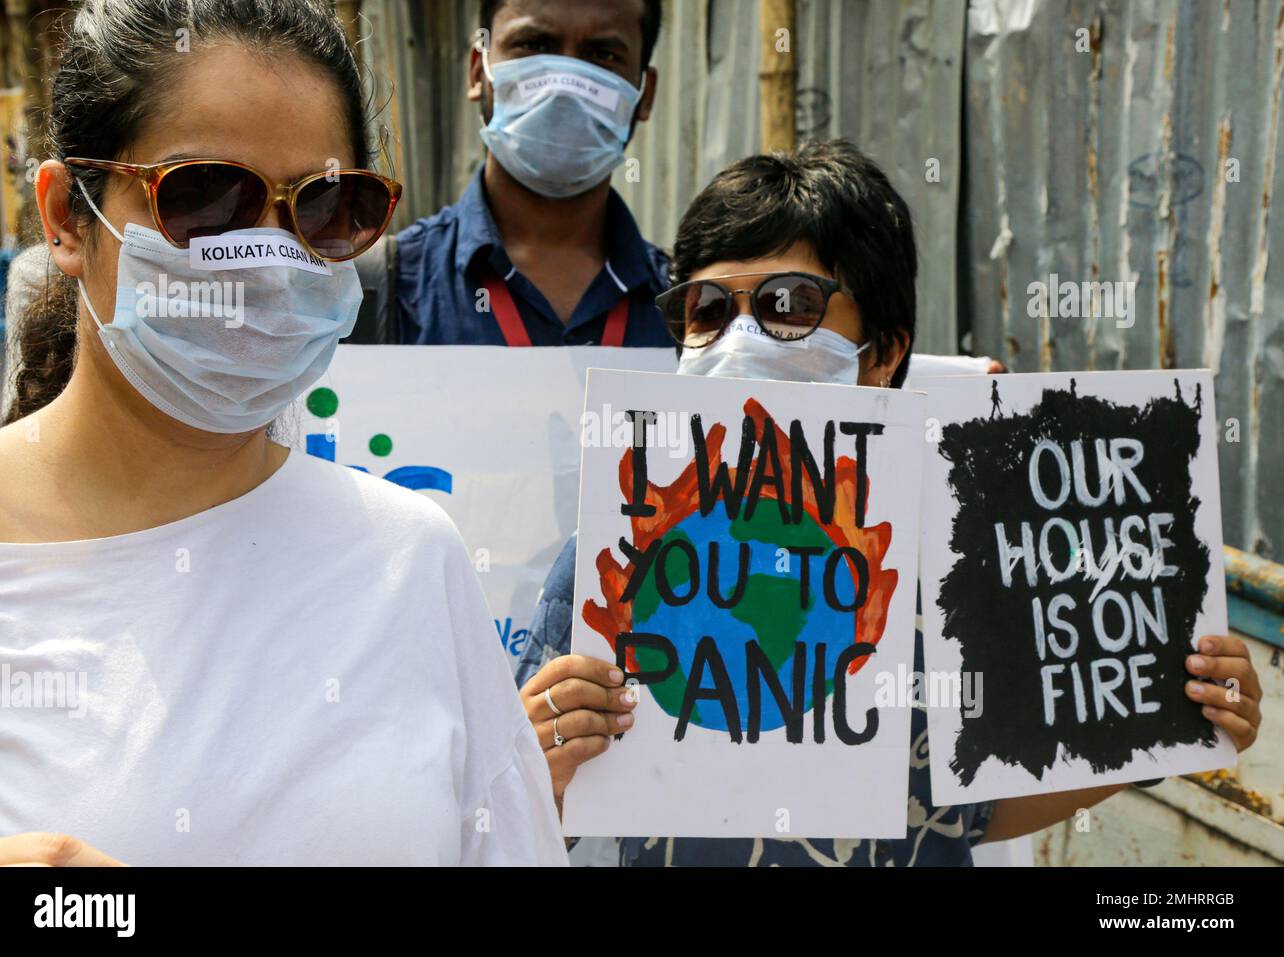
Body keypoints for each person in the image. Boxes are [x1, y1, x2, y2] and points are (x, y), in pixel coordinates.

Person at [513, 139, 1264, 866]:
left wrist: (1170, 716)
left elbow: (969, 812)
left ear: (884, 352)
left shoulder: (960, 558)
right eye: (707, 309)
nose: (739, 337)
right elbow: (525, 821)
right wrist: (534, 760)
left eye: (789, 303)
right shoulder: (610, 556)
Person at [0, 0, 565, 867]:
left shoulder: (411, 559)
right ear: (69, 215)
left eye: (327, 206)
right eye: (207, 196)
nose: (267, 254)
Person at [392, 0, 674, 347]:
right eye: (534, 45)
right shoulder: (385, 294)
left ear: (645, 95)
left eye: (603, 54)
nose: (564, 86)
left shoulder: (691, 310)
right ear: (478, 71)